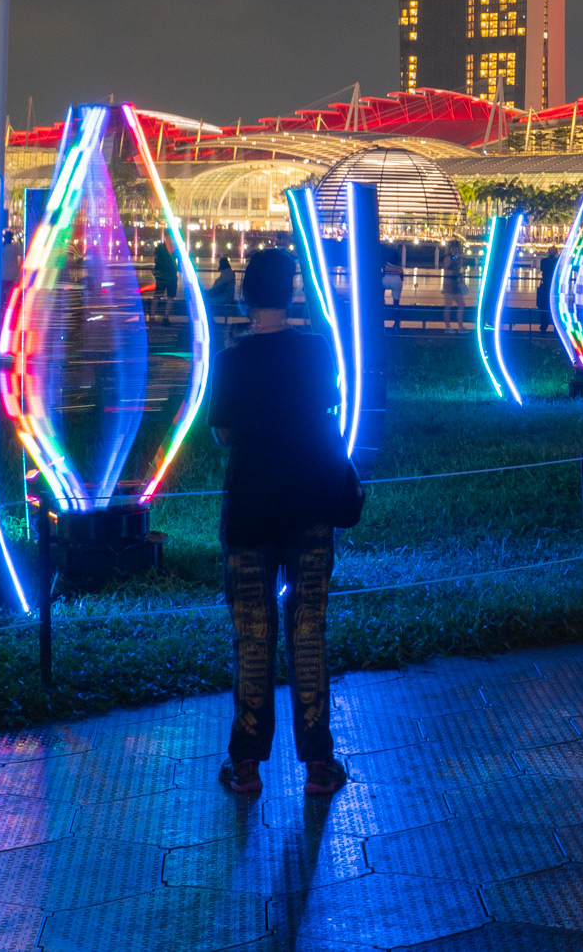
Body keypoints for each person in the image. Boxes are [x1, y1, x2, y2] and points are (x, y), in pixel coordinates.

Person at [208, 249, 359, 798]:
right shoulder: (316, 353)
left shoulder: (231, 361)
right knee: (308, 629)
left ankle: (246, 764)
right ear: (291, 293)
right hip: (312, 505)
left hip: (251, 511)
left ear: (247, 297)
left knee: (253, 634)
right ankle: (319, 764)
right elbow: (328, 411)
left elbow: (223, 433)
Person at [152, 238, 180, 324]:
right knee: (170, 297)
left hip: (161, 275)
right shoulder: (175, 248)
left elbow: (156, 260)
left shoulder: (159, 247)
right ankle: (165, 317)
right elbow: (179, 261)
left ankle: (152, 316)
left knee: (157, 296)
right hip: (171, 275)